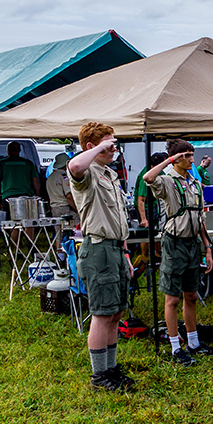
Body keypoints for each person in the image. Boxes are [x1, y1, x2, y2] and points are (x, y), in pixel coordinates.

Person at [68, 122, 135, 392]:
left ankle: (111, 368)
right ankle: (99, 376)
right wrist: (99, 150)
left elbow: (118, 219)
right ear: (90, 147)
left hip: (116, 249)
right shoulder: (88, 173)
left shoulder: (109, 174)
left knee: (116, 312)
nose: (114, 149)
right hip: (98, 250)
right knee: (101, 313)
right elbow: (74, 168)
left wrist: (127, 253)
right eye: (110, 144)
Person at [144, 139, 213, 366]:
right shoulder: (167, 181)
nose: (191, 159)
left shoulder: (195, 183)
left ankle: (194, 342)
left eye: (191, 155)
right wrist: (169, 159)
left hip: (192, 244)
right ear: (176, 158)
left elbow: (200, 219)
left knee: (191, 296)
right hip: (174, 243)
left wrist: (207, 248)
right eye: (186, 155)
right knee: (172, 298)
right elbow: (148, 178)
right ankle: (175, 347)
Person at [0, 141, 40, 242]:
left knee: (13, 224)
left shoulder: (2, 163)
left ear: (8, 151)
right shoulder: (28, 163)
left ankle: (16, 248)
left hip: (9, 196)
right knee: (29, 222)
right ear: (20, 151)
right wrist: (37, 194)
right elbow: (36, 180)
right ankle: (31, 245)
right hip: (26, 196)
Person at [46, 153, 78, 224]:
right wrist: (76, 209)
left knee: (59, 232)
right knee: (75, 230)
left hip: (54, 209)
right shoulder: (64, 176)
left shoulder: (50, 177)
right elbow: (68, 196)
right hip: (65, 208)